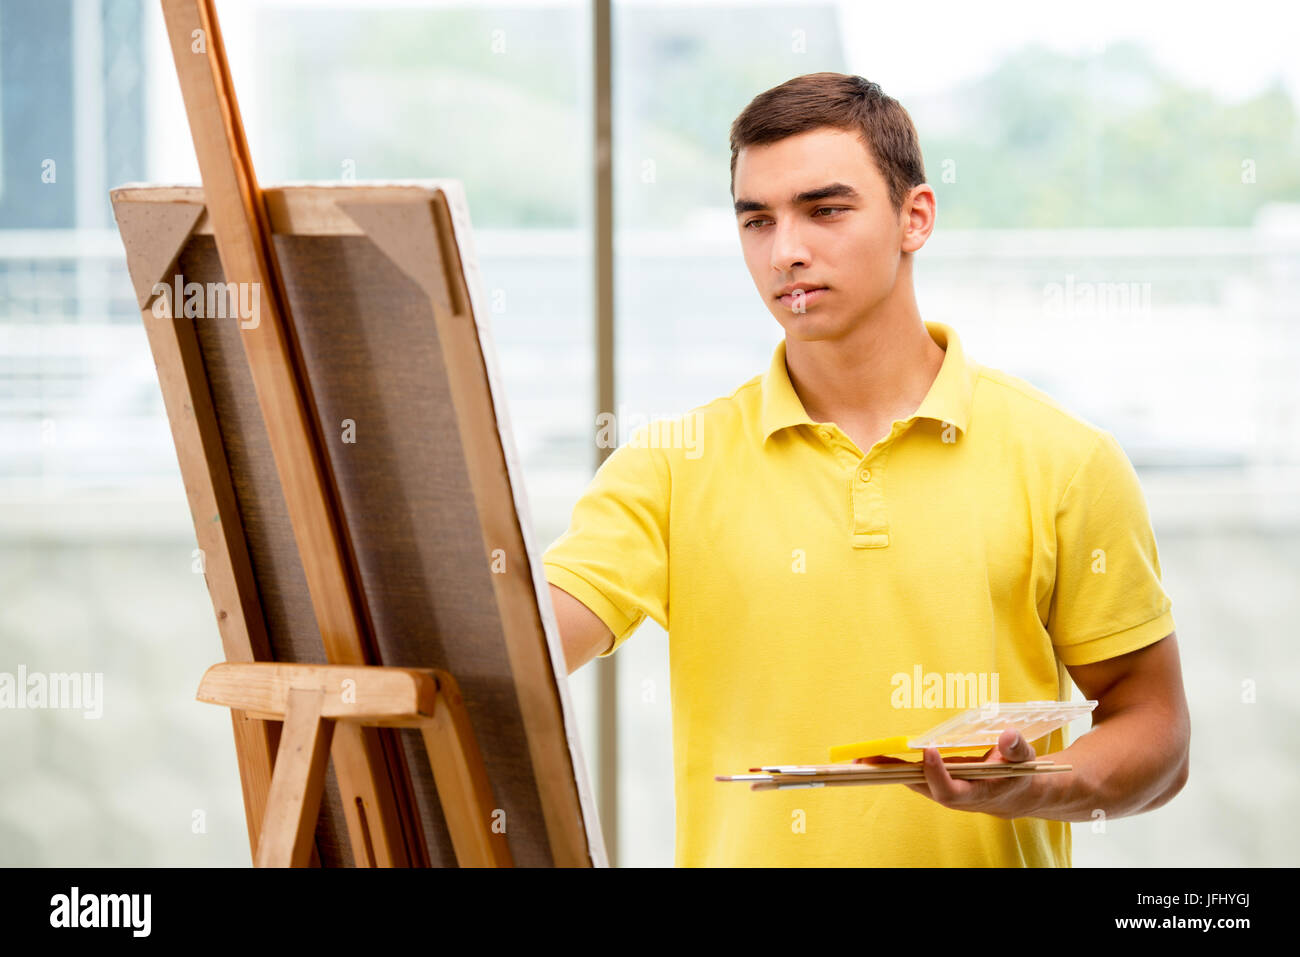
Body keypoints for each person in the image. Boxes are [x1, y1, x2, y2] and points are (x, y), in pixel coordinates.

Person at [542, 72, 1190, 866]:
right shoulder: (669, 465)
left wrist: (1040, 784)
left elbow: (1156, 727)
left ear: (915, 216)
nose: (787, 251)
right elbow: (521, 644)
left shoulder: (1066, 458)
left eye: (826, 210)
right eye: (757, 220)